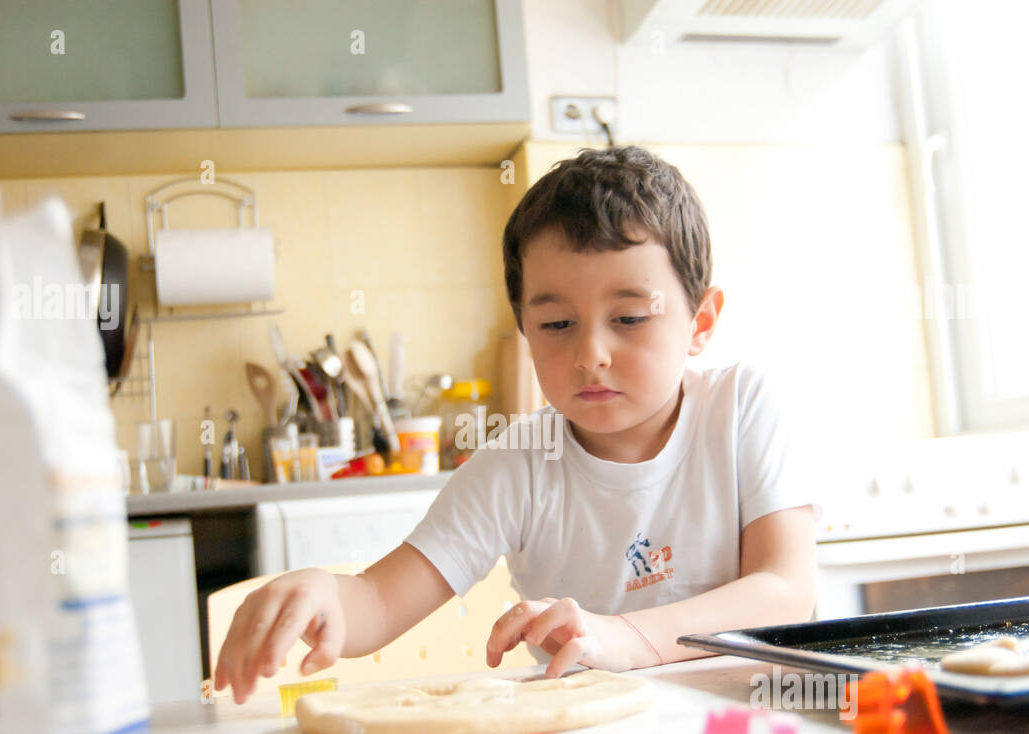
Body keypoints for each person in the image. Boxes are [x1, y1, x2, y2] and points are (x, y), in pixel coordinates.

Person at [215, 145, 818, 705]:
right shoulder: (517, 466)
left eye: (630, 317)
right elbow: (375, 601)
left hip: (746, 730)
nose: (591, 355)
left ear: (701, 322)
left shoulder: (741, 407)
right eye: (557, 325)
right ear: (525, 329)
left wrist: (622, 639)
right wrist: (324, 593)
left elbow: (786, 592)